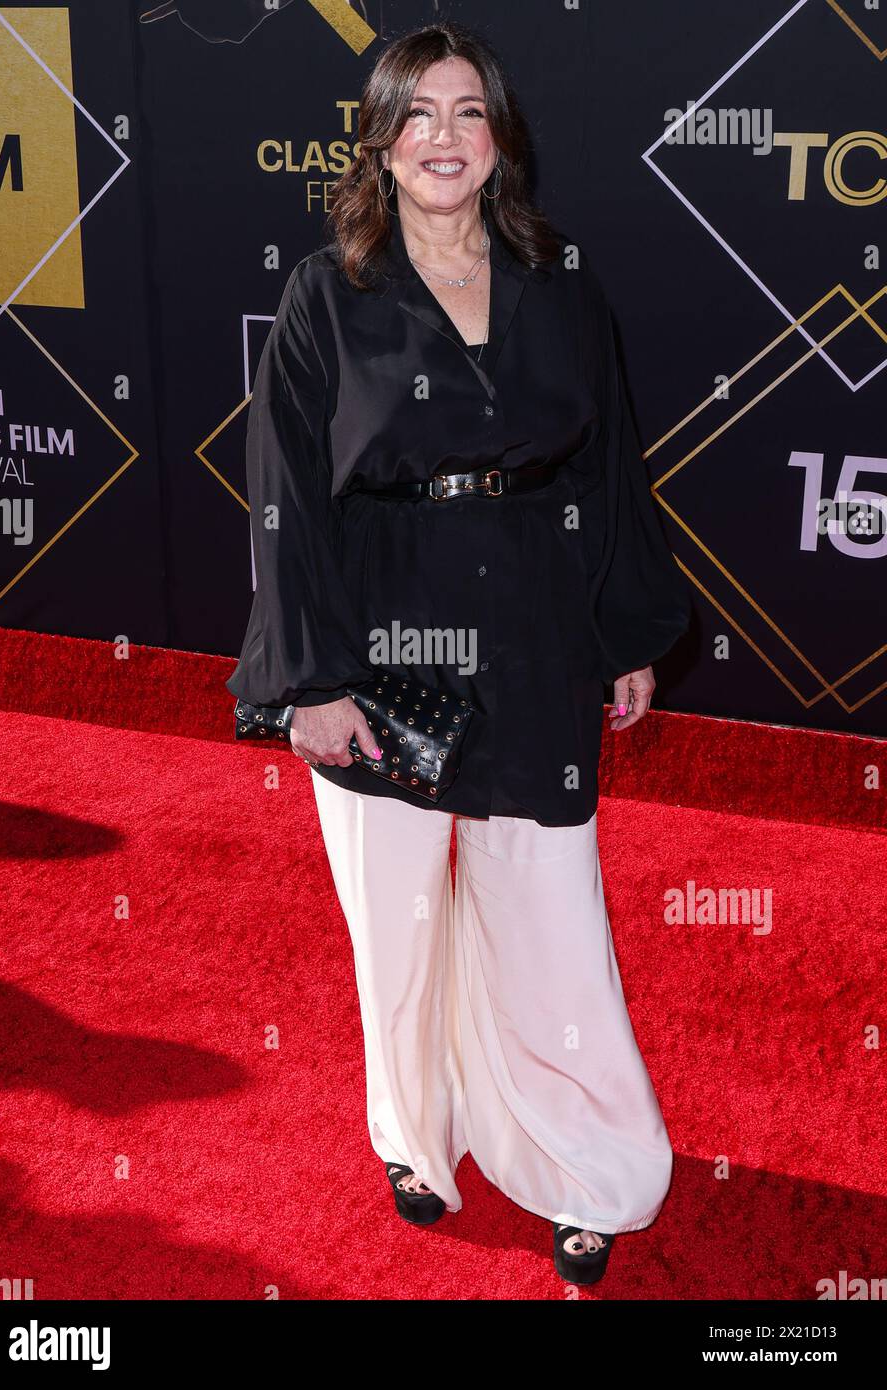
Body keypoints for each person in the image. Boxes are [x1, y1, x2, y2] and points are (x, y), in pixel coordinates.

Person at [227, 21, 691, 1286]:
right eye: (416, 113)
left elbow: (609, 468)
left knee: (547, 907)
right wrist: (311, 680)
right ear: (378, 140)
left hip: (536, 624)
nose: (443, 136)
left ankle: (587, 1162)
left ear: (500, 142)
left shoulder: (561, 285)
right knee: (400, 918)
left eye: (467, 112)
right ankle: (417, 1138)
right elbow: (286, 499)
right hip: (376, 630)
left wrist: (623, 628)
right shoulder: (330, 294)